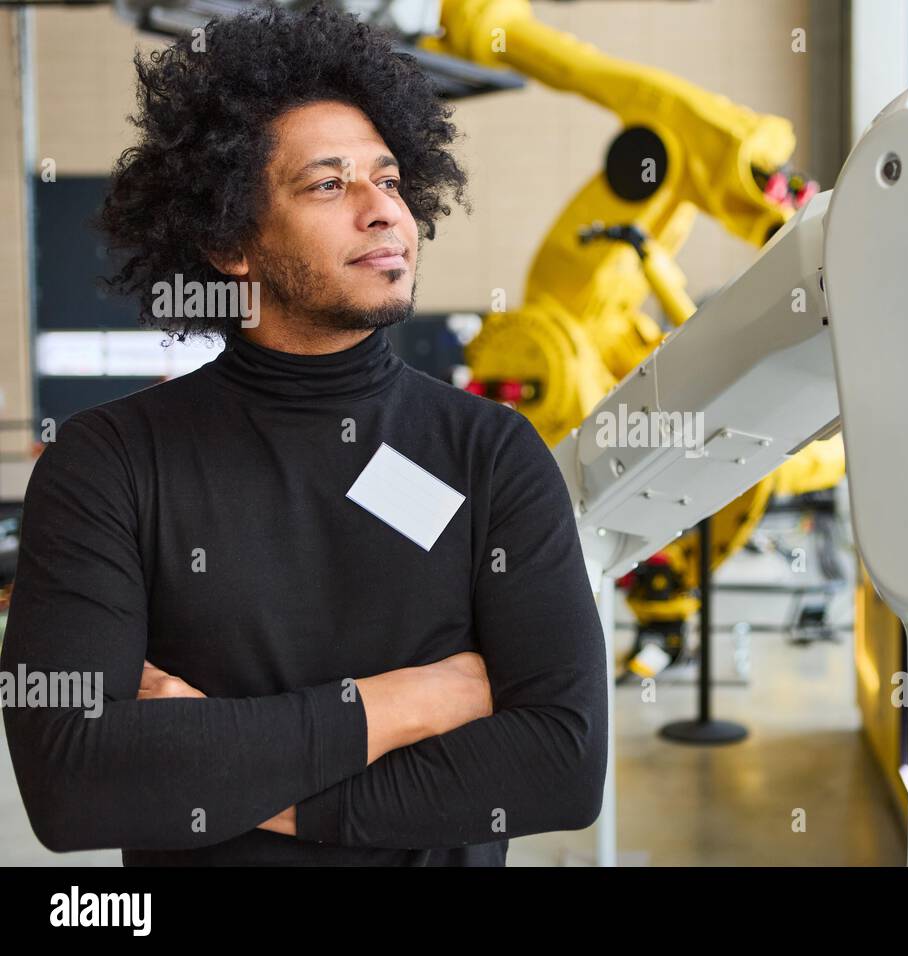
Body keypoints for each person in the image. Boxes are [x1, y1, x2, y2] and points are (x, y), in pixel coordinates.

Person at [0, 1, 607, 866]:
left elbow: (561, 767)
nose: (383, 211)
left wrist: (231, 777)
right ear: (229, 243)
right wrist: (408, 703)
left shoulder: (494, 454)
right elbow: (74, 786)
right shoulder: (108, 466)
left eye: (390, 179)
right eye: (329, 184)